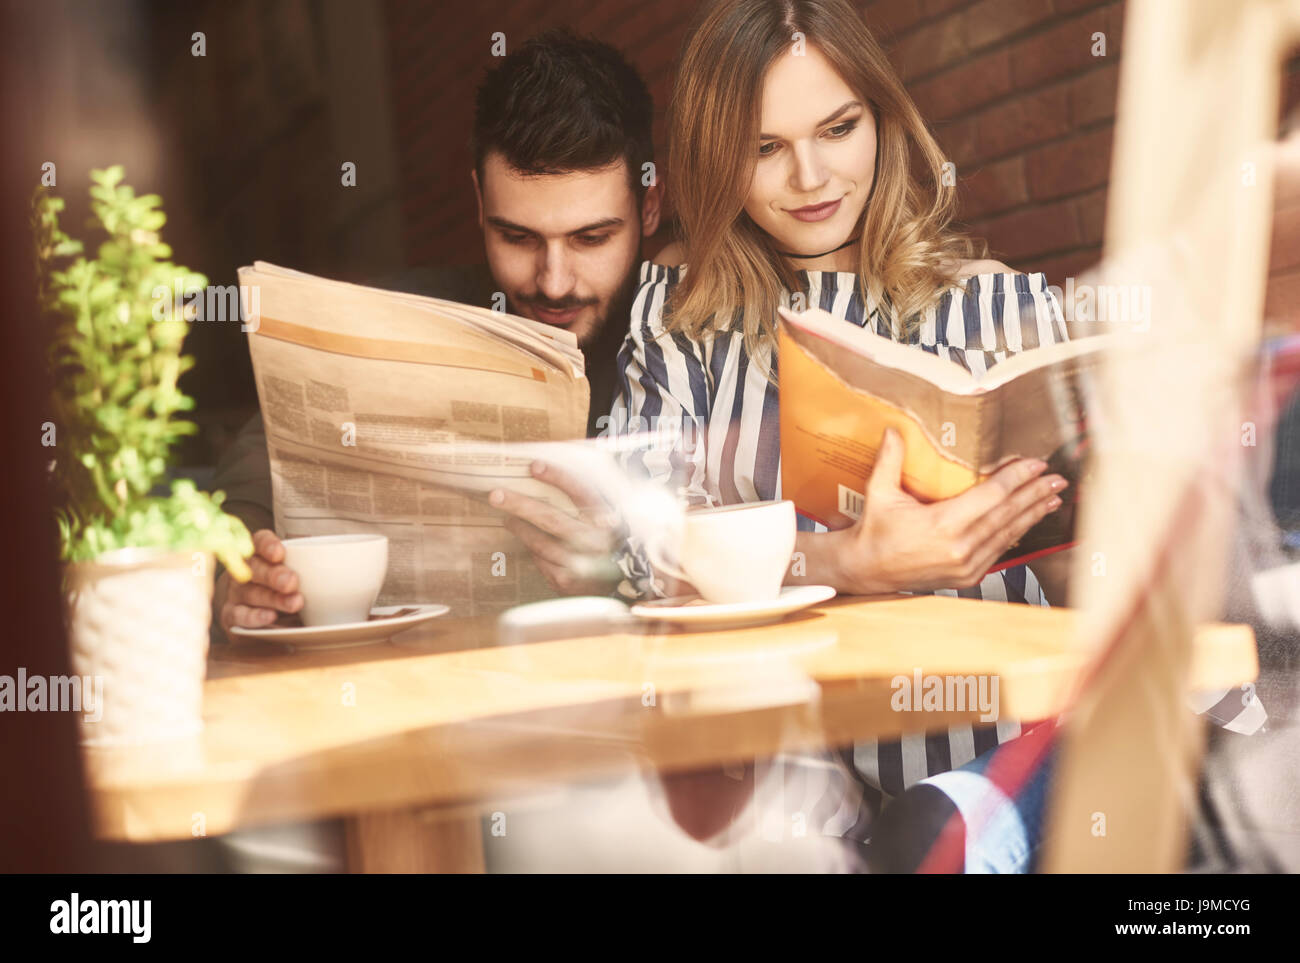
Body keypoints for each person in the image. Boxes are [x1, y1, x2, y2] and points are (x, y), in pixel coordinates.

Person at [608, 0, 1072, 871]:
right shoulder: (682, 328)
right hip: (796, 781)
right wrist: (849, 564)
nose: (812, 176)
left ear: (883, 119)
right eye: (764, 147)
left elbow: (1091, 558)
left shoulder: (1004, 306)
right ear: (717, 159)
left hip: (1000, 754)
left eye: (838, 128)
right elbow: (642, 554)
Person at [213, 28, 662, 635]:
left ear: (649, 208)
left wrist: (624, 574)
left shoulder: (689, 343)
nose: (554, 282)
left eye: (591, 238)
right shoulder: (401, 318)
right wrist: (238, 570)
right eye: (518, 237)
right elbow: (250, 474)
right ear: (479, 203)